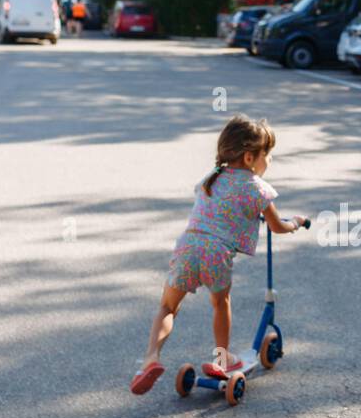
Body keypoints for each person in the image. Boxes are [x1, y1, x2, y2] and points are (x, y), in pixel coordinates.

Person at [130, 113, 307, 393]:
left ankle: (151, 358)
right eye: (266, 154)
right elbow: (278, 226)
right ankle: (222, 359)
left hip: (187, 245)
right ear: (249, 158)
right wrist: (296, 222)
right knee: (220, 303)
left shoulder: (211, 177)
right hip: (216, 253)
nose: (269, 160)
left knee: (167, 307)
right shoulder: (258, 190)